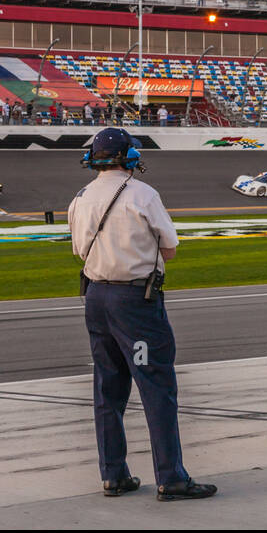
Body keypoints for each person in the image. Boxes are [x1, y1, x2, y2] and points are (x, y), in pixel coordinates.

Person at [68, 128, 216, 500]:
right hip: (135, 301)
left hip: (96, 297)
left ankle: (113, 474)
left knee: (108, 387)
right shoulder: (143, 194)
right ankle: (171, 477)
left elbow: (76, 252)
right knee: (157, 387)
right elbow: (170, 249)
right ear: (129, 157)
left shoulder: (81, 197)